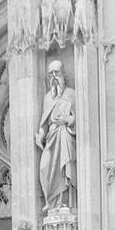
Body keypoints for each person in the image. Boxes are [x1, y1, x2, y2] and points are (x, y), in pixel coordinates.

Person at [37, 61, 77, 211]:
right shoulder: (47, 98)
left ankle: (64, 200)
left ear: (63, 73)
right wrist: (40, 134)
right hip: (51, 136)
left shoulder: (71, 94)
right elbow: (44, 121)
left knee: (64, 167)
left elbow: (80, 119)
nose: (54, 76)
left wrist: (69, 120)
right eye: (51, 74)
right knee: (44, 167)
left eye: (57, 73)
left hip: (65, 134)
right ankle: (51, 200)